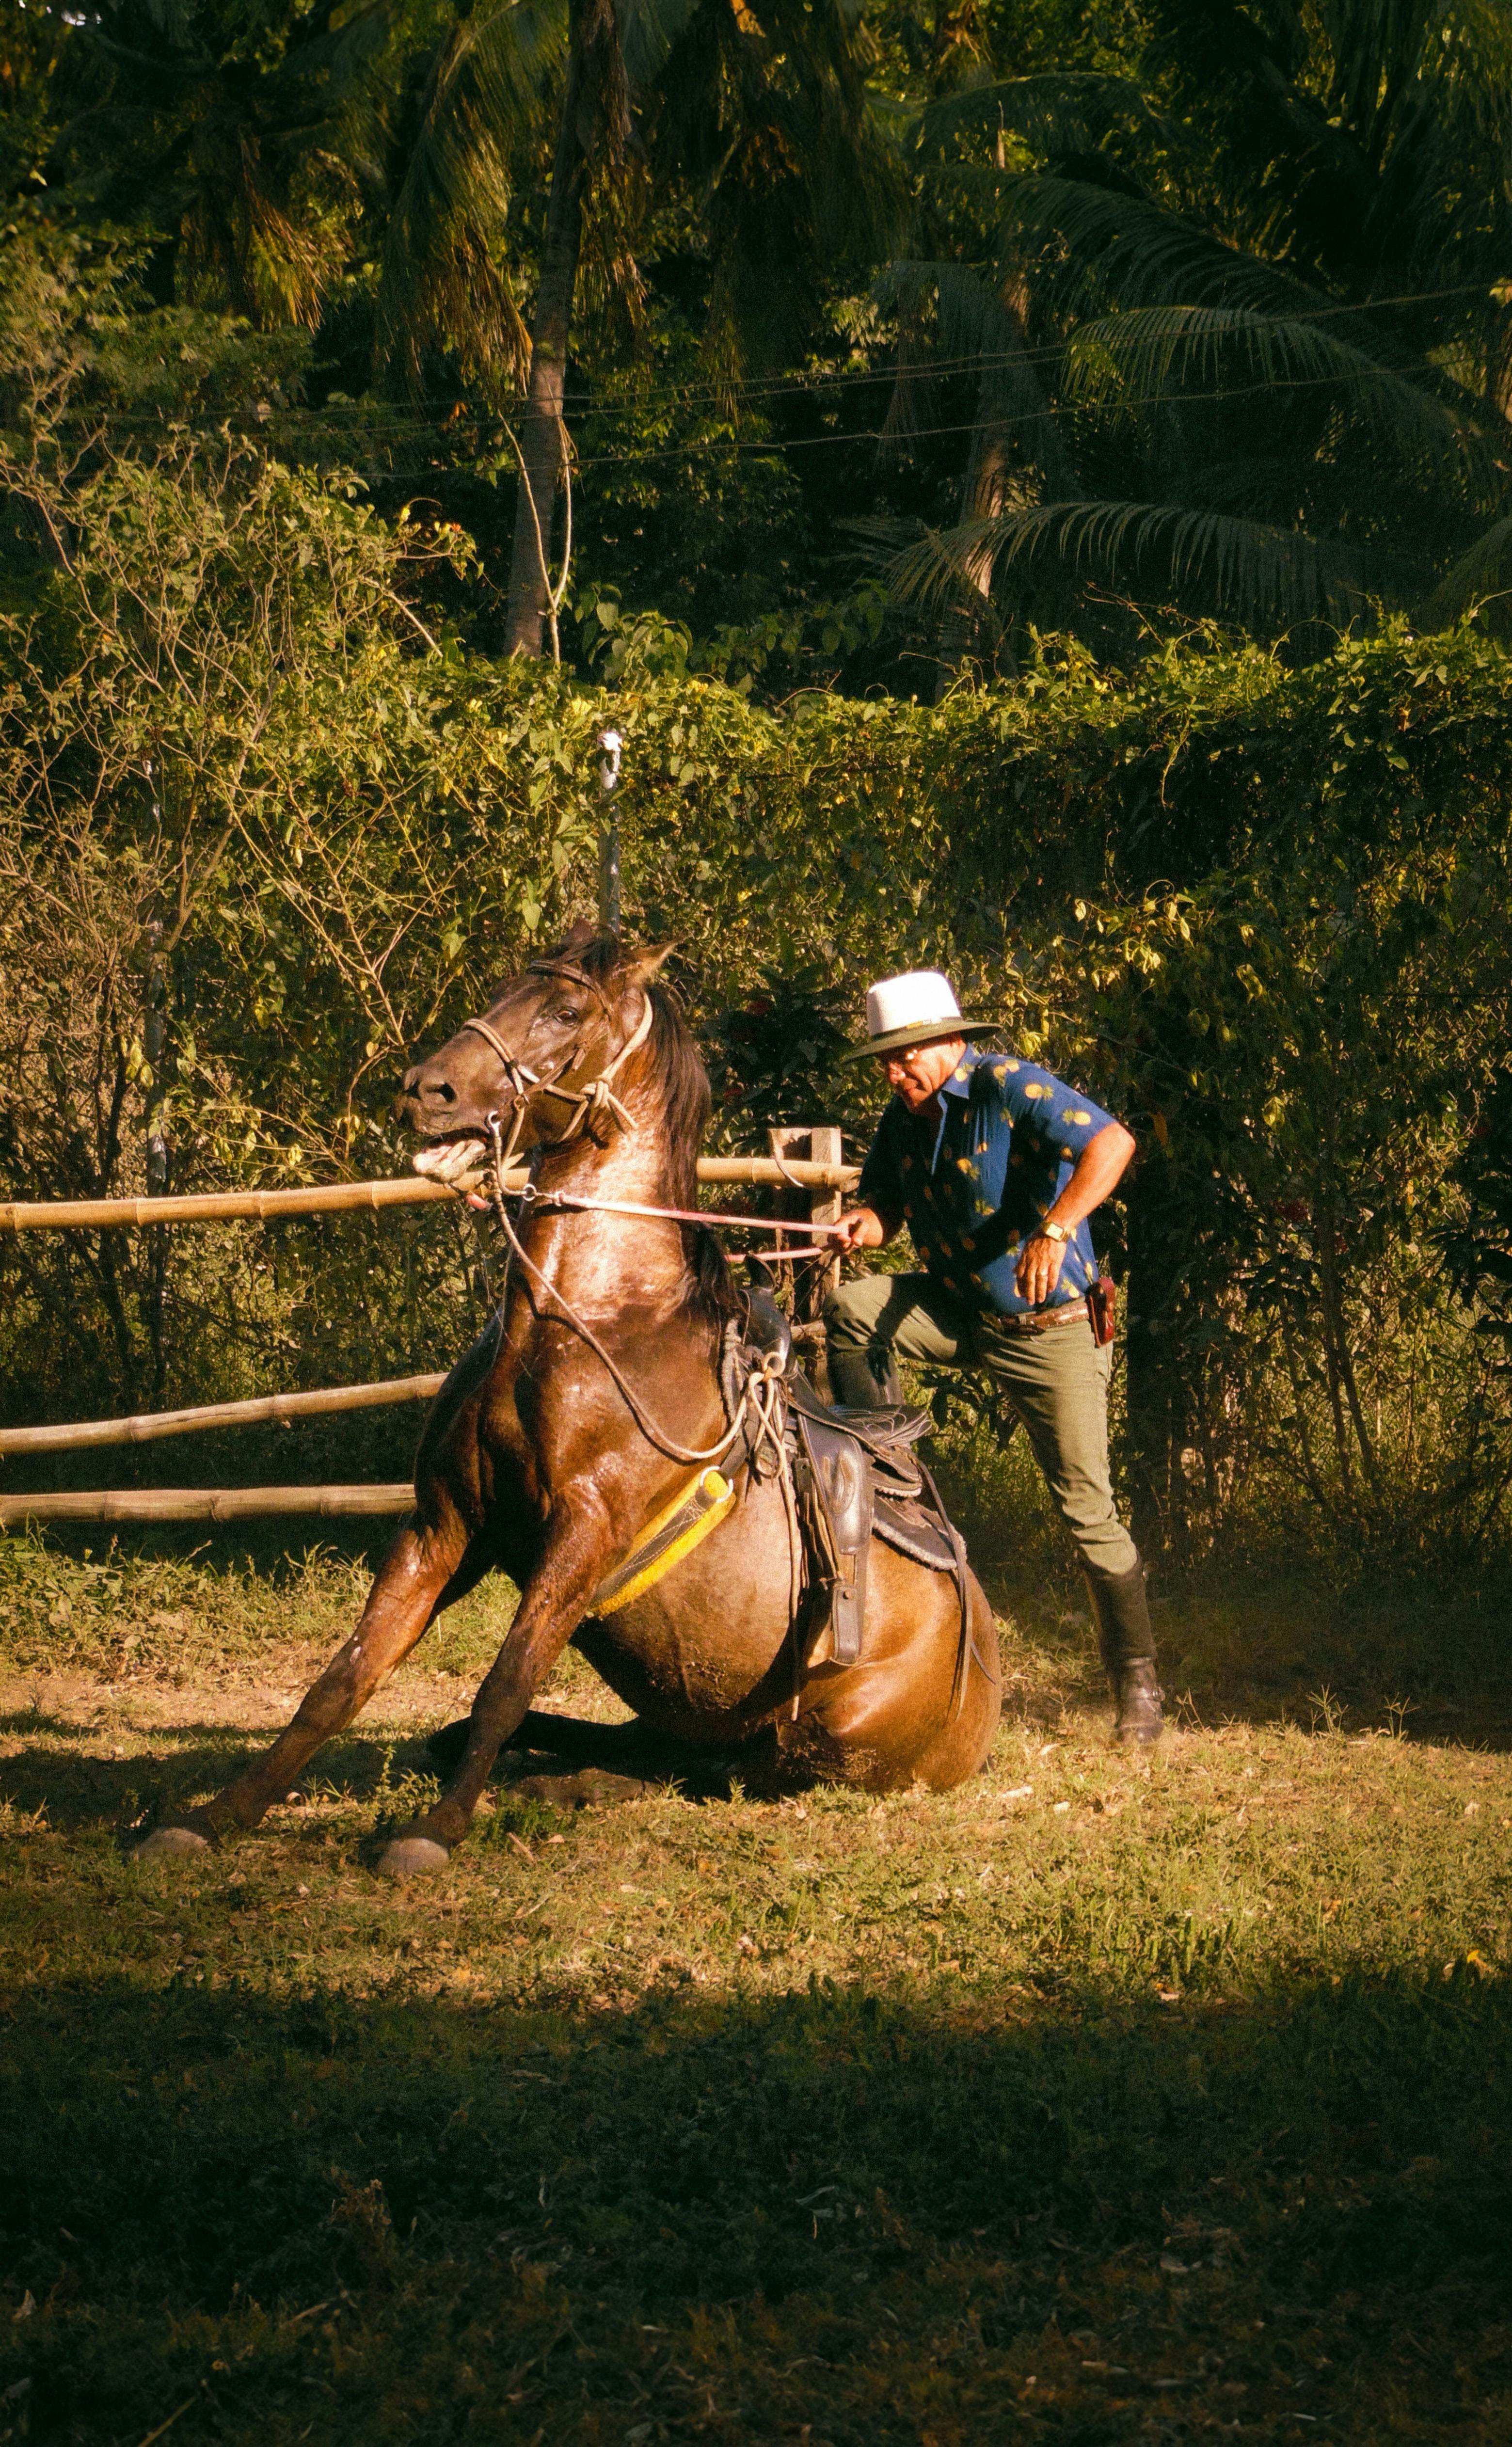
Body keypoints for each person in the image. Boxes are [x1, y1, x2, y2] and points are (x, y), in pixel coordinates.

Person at [823, 969, 1162, 1746]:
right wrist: (859, 1227)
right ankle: (889, 1473)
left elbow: (1114, 1143)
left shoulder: (1007, 1085)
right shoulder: (901, 1116)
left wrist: (1054, 1227)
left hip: (1053, 1329)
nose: (892, 1070)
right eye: (884, 1057)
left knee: (1087, 1512)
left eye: (904, 1054)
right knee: (853, 1310)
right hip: (961, 1314)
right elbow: (885, 1212)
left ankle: (1139, 1686)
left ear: (947, 1041)